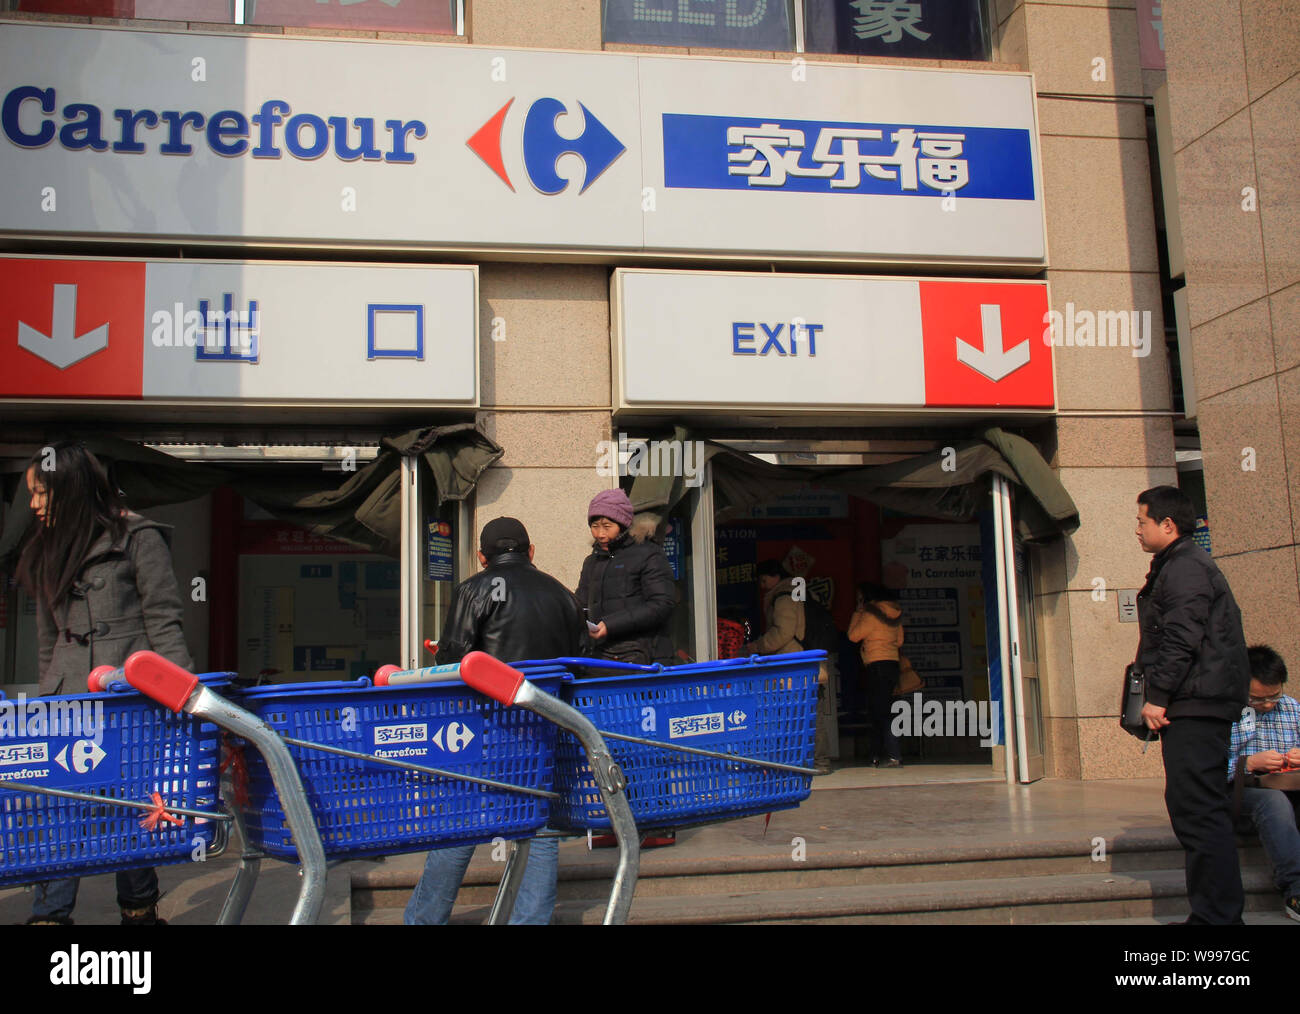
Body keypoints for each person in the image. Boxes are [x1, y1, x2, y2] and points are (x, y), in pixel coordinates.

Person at [16, 441, 192, 926]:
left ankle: (139, 911)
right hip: (67, 702)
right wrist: (45, 703)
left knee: (131, 803)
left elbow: (164, 622)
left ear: (70, 489)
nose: (33, 504)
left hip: (128, 699)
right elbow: (48, 642)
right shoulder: (47, 549)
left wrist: (185, 698)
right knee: (62, 809)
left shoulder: (138, 537)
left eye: (40, 492)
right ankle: (49, 916)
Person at [405, 517, 586, 926]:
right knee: (539, 827)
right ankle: (530, 920)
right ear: (531, 551)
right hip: (546, 726)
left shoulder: (474, 589)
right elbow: (577, 664)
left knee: (460, 823)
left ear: (482, 557)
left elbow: (454, 661)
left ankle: (424, 919)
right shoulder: (563, 595)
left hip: (486, 726)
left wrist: (439, 653)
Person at [1134, 484, 1250, 925]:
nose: (1137, 530)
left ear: (1167, 524)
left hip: (1196, 705)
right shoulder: (1179, 564)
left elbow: (1182, 637)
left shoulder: (1185, 567)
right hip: (1197, 702)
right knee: (1195, 810)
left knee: (1198, 813)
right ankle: (1215, 914)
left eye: (1142, 521)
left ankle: (1217, 919)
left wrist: (1158, 696)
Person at [1227, 645, 1300, 921]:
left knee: (1280, 800)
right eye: (1257, 699)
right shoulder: (1225, 712)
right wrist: (1249, 763)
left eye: (1274, 696)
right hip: (1242, 792)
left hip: (1289, 786)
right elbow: (1204, 770)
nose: (1268, 705)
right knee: (1273, 802)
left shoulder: (1292, 708)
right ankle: (1296, 889)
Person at [742, 559, 833, 774]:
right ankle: (816, 761)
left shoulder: (784, 598)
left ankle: (811, 761)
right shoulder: (798, 593)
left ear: (775, 577)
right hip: (806, 661)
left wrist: (758, 645)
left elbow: (783, 632)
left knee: (797, 715)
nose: (763, 585)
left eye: (764, 580)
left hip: (793, 663)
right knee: (810, 713)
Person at [576, 489, 676, 666]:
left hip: (646, 657)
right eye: (594, 526)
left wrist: (611, 625)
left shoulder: (649, 554)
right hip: (602, 655)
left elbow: (662, 604)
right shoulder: (592, 562)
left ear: (622, 524)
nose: (600, 534)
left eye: (607, 527)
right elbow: (581, 603)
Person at [848, 582, 905, 768]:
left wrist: (857, 612)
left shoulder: (869, 614)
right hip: (892, 664)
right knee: (886, 709)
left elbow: (853, 636)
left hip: (876, 665)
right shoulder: (895, 612)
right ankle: (887, 753)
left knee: (877, 713)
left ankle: (883, 755)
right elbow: (899, 641)